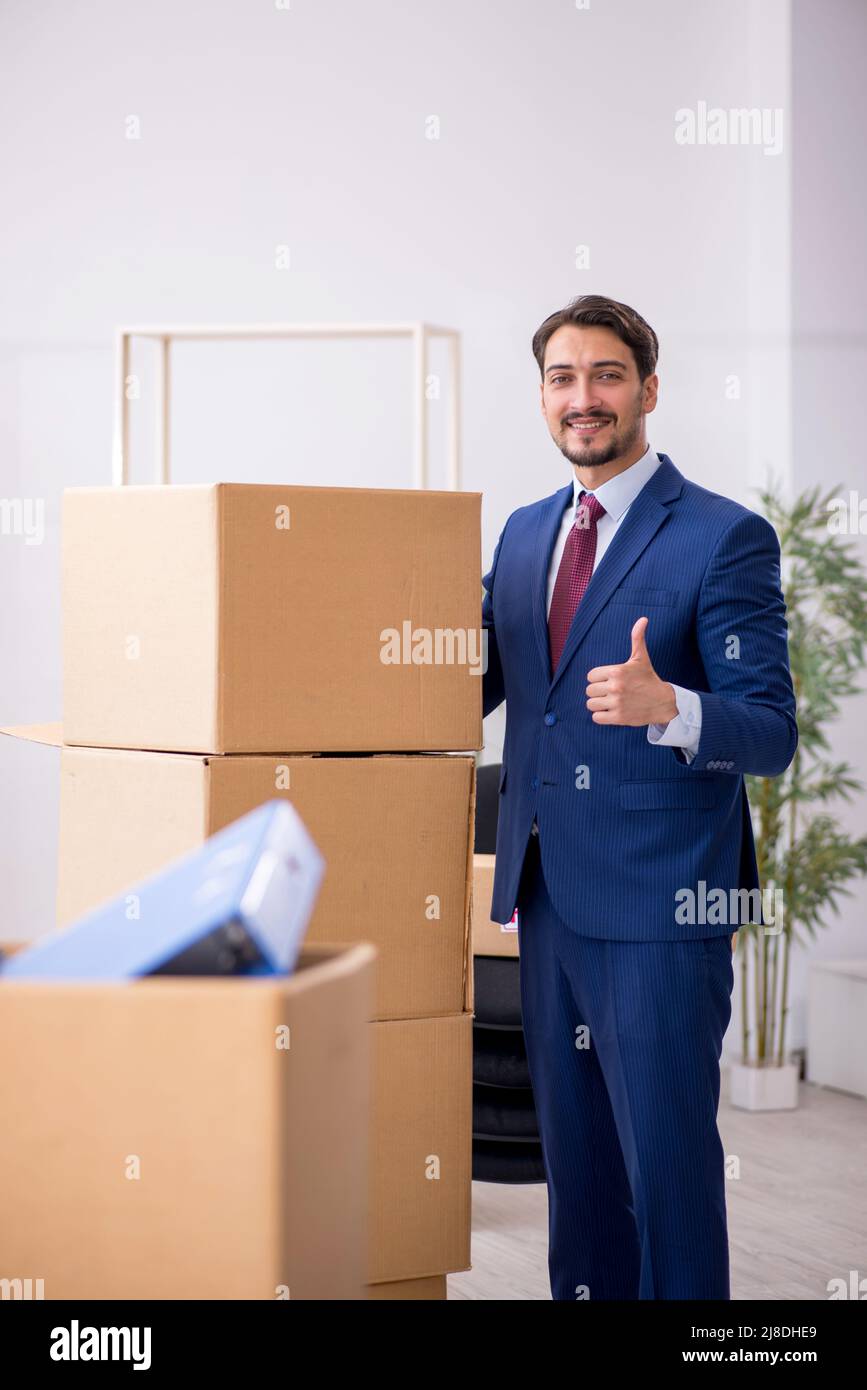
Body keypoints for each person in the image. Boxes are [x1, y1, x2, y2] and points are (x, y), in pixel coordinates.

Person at [481, 293, 797, 1300]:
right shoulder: (526, 535)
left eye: (607, 375)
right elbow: (483, 689)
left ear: (648, 390)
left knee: (665, 1172)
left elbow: (772, 730)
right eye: (563, 378)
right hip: (546, 899)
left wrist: (674, 705)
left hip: (667, 906)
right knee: (577, 1177)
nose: (585, 398)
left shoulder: (721, 536)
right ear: (542, 397)